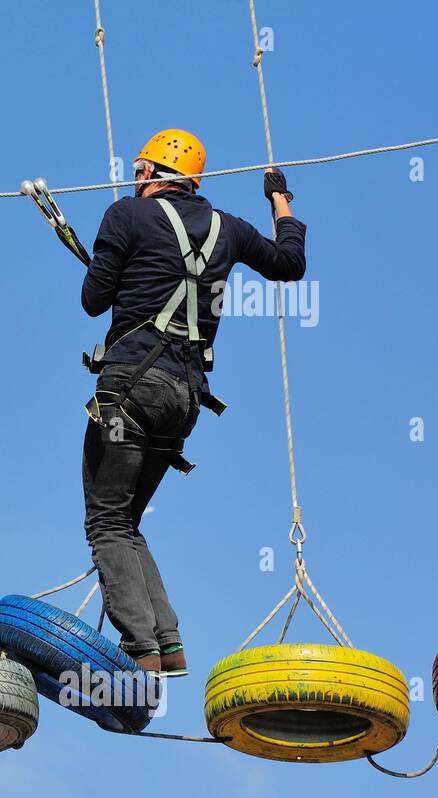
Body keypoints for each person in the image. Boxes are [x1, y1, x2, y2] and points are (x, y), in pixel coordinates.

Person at [80, 128, 306, 676]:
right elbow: (288, 263)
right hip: (183, 399)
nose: (133, 180)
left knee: (107, 522)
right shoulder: (229, 229)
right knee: (126, 523)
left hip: (130, 389)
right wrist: (281, 200)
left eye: (139, 170)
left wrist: (115, 264)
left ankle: (143, 650)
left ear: (157, 174)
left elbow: (93, 301)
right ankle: (167, 642)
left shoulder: (125, 217)